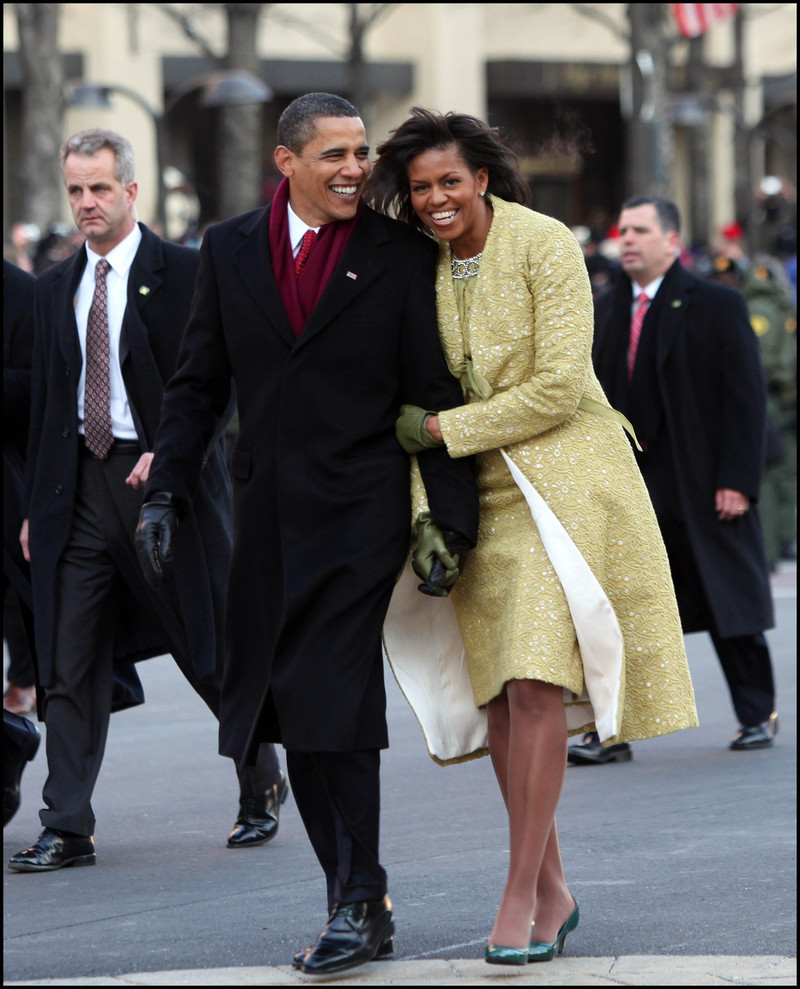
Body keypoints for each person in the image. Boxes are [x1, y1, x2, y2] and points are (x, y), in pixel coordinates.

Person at [134, 93, 479, 976]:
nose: (356, 169)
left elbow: (433, 390)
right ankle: (354, 895)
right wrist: (165, 490)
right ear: (286, 162)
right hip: (266, 520)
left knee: (330, 693)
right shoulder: (230, 248)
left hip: (361, 514)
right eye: (334, 155)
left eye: (362, 152)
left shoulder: (400, 255)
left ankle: (360, 900)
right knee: (287, 705)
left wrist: (453, 520)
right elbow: (197, 383)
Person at [366, 107, 697, 965]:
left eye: (450, 181)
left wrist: (440, 431)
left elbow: (555, 389)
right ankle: (551, 886)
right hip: (472, 496)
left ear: (481, 178)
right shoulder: (416, 262)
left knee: (537, 681)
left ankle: (518, 892)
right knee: (500, 697)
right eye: (420, 187)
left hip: (564, 483)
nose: (436, 199)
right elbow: (406, 384)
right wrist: (424, 502)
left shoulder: (544, 241)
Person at [9, 128, 285, 874]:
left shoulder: (189, 273)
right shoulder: (52, 287)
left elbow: (222, 381)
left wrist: (176, 451)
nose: (86, 203)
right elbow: (45, 409)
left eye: (100, 188)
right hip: (79, 492)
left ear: (133, 191)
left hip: (169, 486)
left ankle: (260, 778)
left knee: (208, 646)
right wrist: (38, 508)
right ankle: (67, 823)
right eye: (75, 190)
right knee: (69, 656)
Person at [590, 195, 778, 759]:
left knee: (730, 606)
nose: (627, 240)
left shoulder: (715, 303)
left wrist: (738, 480)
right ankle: (613, 732)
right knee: (620, 612)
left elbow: (746, 400)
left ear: (672, 241)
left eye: (641, 231)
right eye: (623, 230)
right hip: (633, 487)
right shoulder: (604, 306)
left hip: (703, 483)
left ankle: (757, 716)